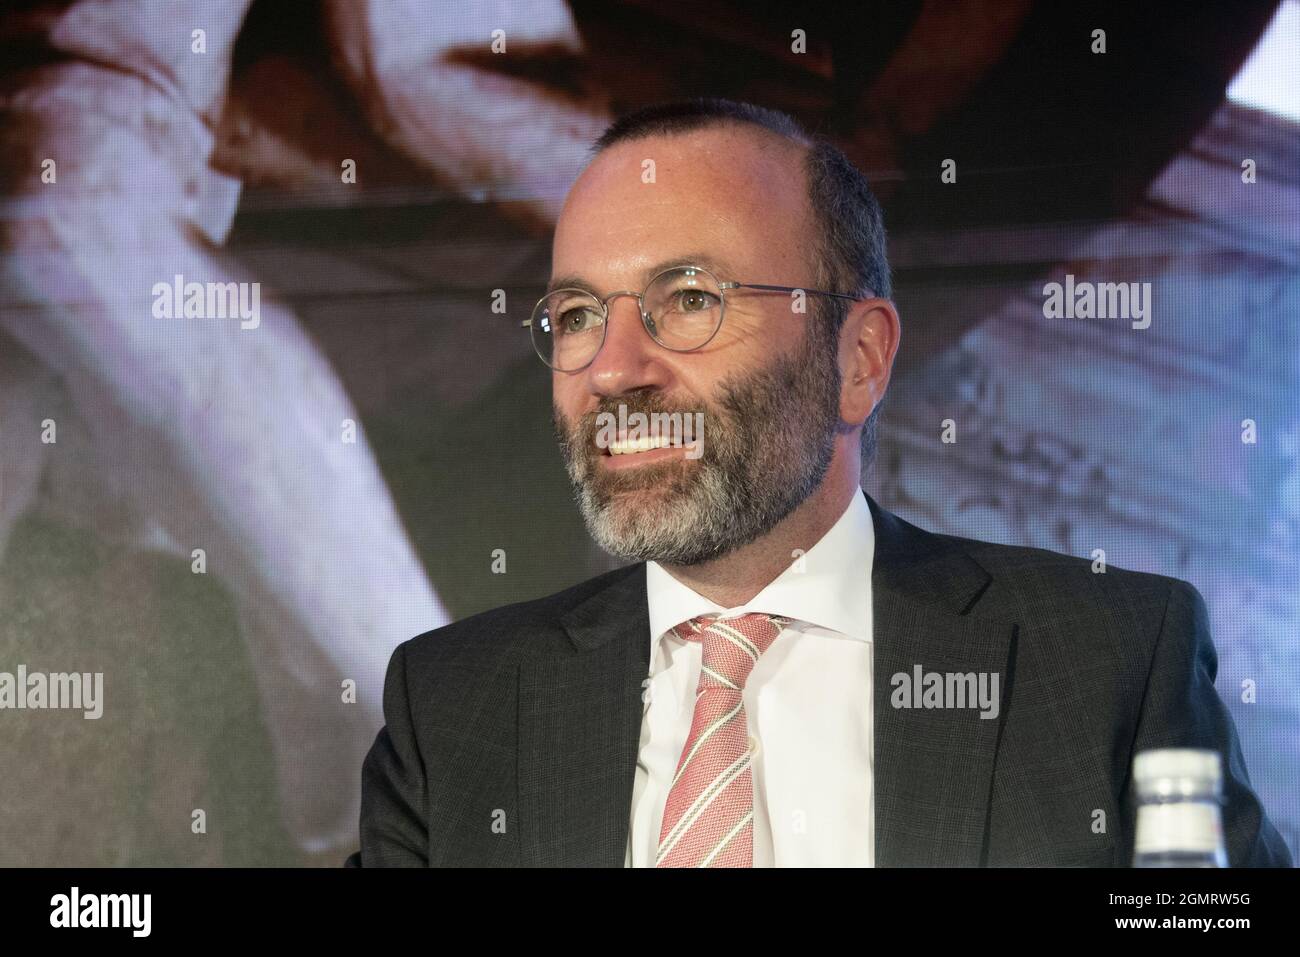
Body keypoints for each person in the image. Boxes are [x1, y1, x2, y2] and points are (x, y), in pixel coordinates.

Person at [355, 97, 1291, 867]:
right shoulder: (452, 709)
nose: (612, 367)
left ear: (859, 358)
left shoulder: (1111, 668)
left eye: (689, 301)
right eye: (576, 313)